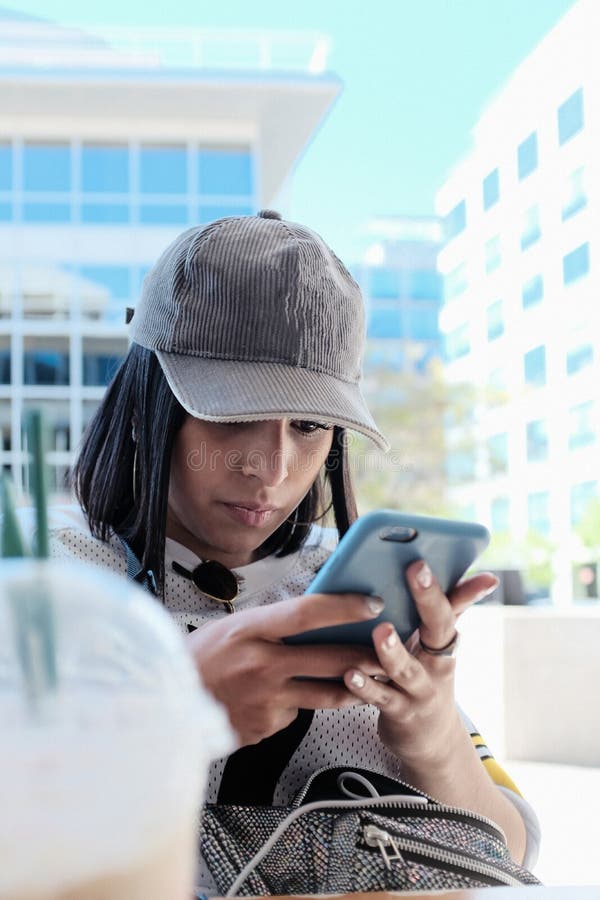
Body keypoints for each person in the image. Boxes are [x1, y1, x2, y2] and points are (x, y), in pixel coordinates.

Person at [33, 210, 539, 885]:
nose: (271, 470)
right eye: (234, 412)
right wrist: (160, 715)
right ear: (147, 399)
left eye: (308, 424)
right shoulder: (38, 581)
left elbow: (514, 852)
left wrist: (432, 736)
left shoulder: (346, 589)